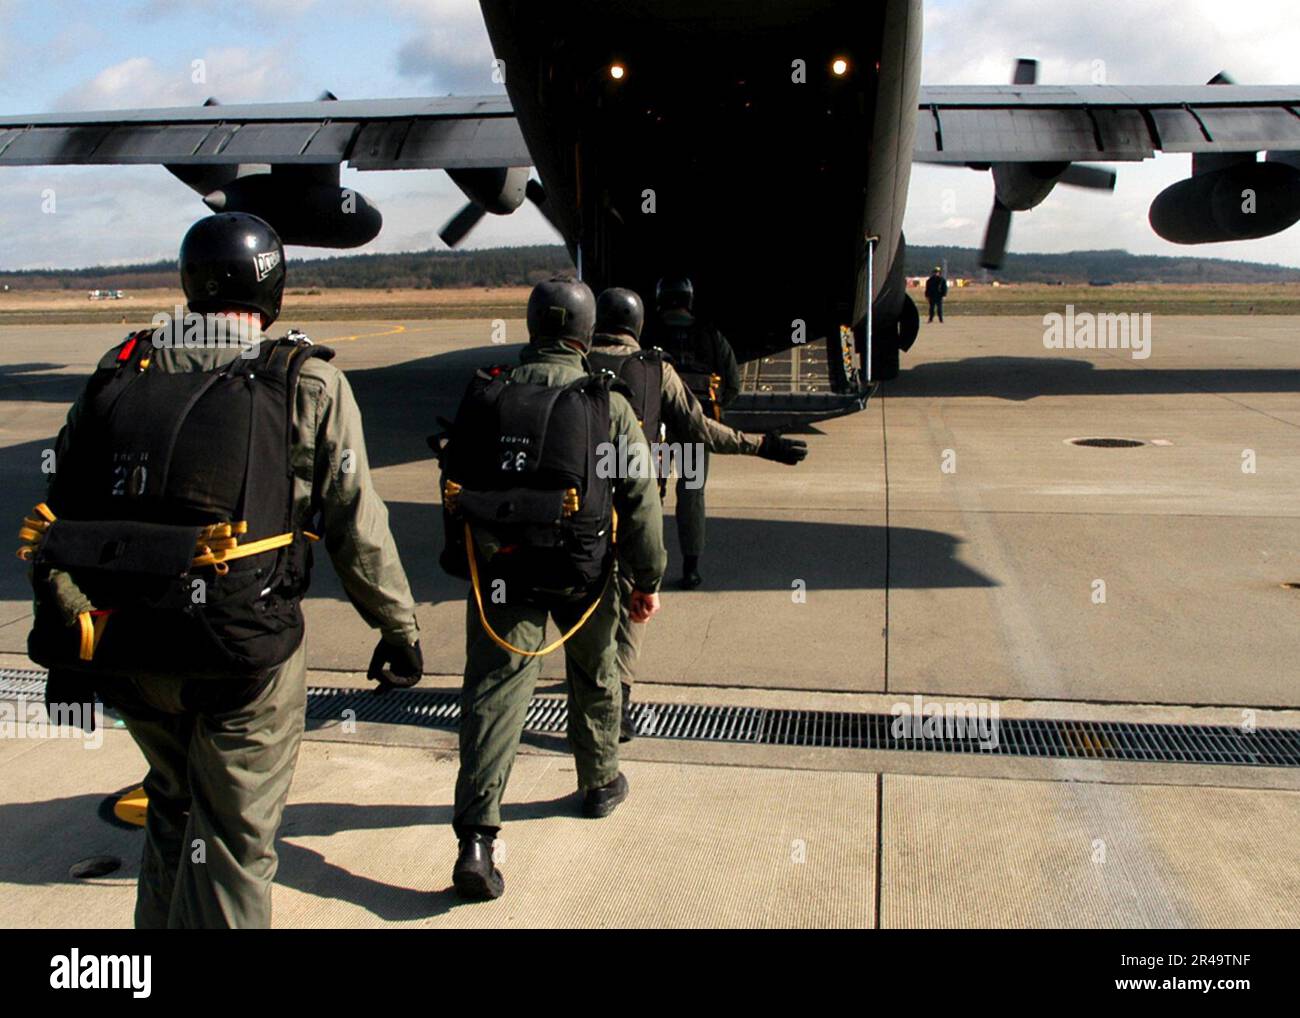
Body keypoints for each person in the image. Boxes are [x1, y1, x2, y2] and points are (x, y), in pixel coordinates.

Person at [26, 212, 422, 928]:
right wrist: (398, 629)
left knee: (173, 811)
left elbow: (63, 505)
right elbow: (356, 525)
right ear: (272, 287)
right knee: (234, 846)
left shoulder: (120, 369)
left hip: (127, 648)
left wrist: (67, 632)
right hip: (242, 654)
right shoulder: (308, 381)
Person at [440, 277, 666, 901]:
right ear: (585, 334)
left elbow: (456, 476)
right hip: (582, 573)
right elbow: (641, 501)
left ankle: (477, 839)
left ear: (533, 326)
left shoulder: (490, 393)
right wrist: (646, 578)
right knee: (595, 672)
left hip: (503, 569)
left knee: (493, 691)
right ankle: (599, 783)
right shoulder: (608, 403)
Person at [588, 287, 806, 740]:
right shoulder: (661, 363)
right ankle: (620, 694)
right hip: (643, 479)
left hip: (580, 498)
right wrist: (761, 445)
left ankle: (586, 680)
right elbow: (707, 418)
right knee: (676, 521)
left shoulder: (577, 362)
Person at [644, 276, 741, 590]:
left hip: (658, 428)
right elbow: (733, 384)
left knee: (649, 494)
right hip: (695, 429)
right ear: (689, 300)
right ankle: (691, 569)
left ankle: (647, 567)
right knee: (692, 494)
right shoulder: (710, 335)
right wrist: (709, 414)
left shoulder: (650, 334)